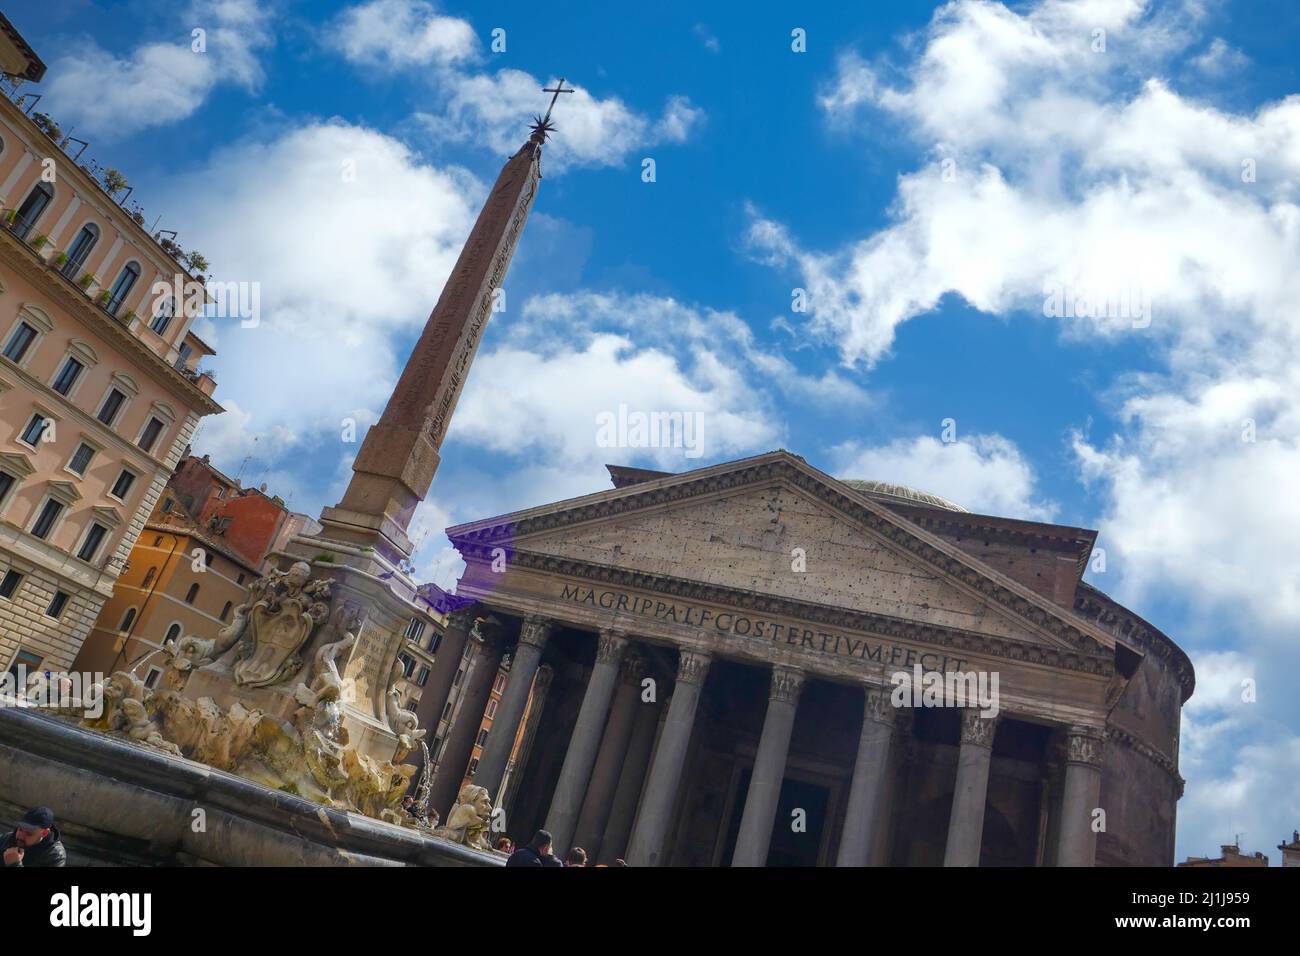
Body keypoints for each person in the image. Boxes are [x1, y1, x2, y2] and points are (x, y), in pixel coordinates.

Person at [1, 806, 66, 867]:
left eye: (28, 833)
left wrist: (14, 864)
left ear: (44, 833)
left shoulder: (55, 856)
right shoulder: (7, 839)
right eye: (20, 829)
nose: (20, 836)